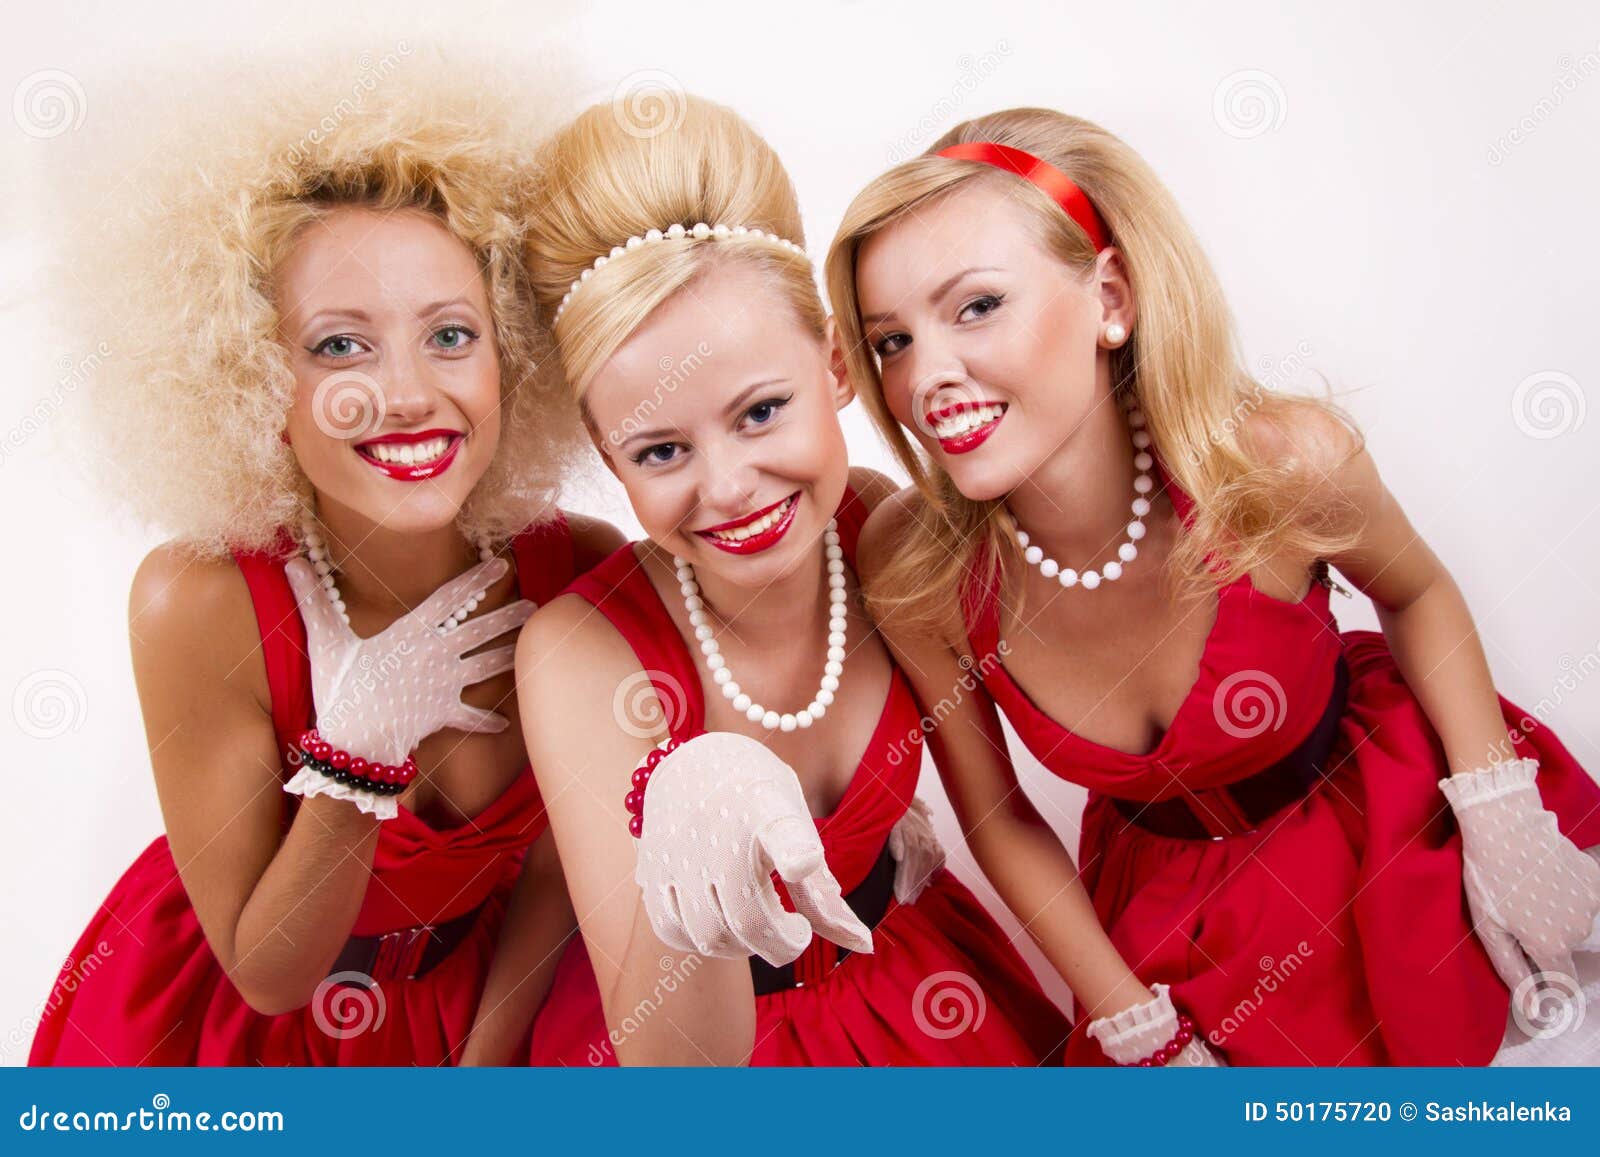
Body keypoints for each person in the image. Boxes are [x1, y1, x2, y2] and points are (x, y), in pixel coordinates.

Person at [820, 109, 1600, 1065]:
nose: (927, 376)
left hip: (1393, 851)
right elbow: (998, 814)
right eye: (890, 341)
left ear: (1111, 299)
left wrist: (1497, 807)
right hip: (1173, 936)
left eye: (976, 306)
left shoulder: (1279, 465)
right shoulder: (917, 568)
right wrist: (1130, 1021)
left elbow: (1417, 592)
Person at [28, 54, 622, 1066]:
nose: (405, 394)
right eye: (340, 346)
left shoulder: (580, 569)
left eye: (449, 333)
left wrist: (480, 1074)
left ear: (511, 353)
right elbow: (268, 971)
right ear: (252, 376)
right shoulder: (199, 598)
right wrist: (359, 750)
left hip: (489, 1004)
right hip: (248, 1034)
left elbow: (563, 872)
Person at [503, 95, 1069, 1065]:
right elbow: (677, 1073)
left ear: (837, 364)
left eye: (762, 410)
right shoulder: (577, 654)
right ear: (605, 452)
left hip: (923, 987)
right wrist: (690, 805)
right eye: (660, 449)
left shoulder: (881, 534)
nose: (728, 488)